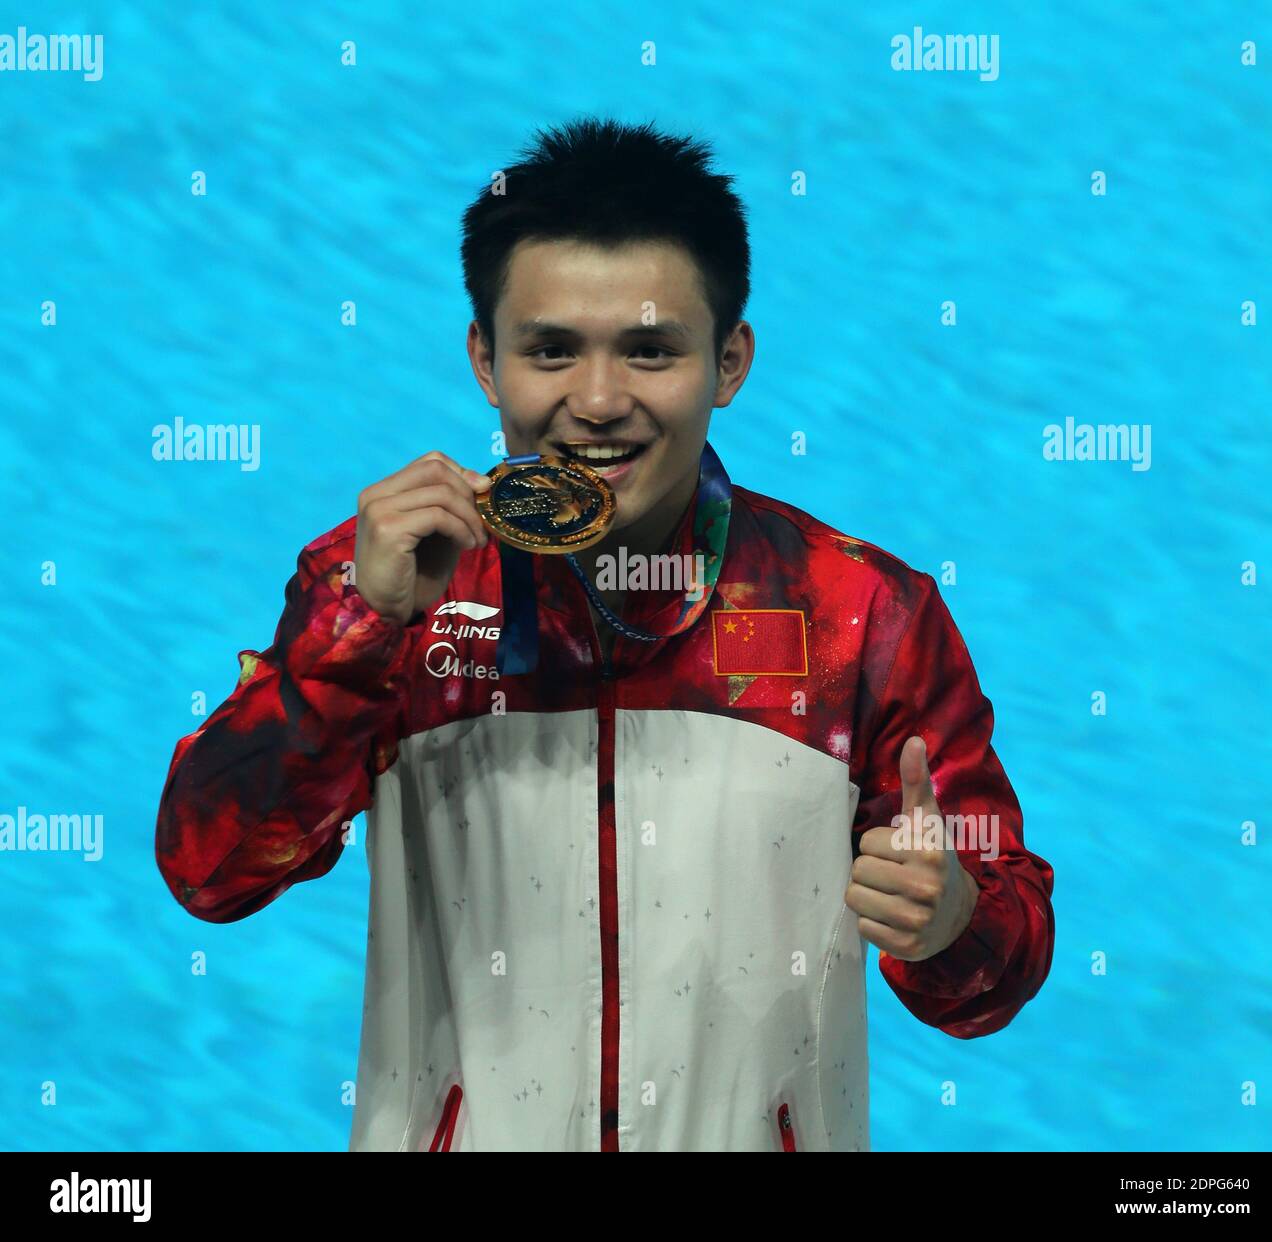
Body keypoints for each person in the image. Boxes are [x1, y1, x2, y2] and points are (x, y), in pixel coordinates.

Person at [155, 116, 1054, 1152]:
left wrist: (946, 922)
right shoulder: (383, 587)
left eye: (649, 350)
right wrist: (358, 628)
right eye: (549, 350)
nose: (595, 403)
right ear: (484, 361)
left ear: (729, 362)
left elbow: (998, 975)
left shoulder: (859, 613)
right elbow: (212, 873)